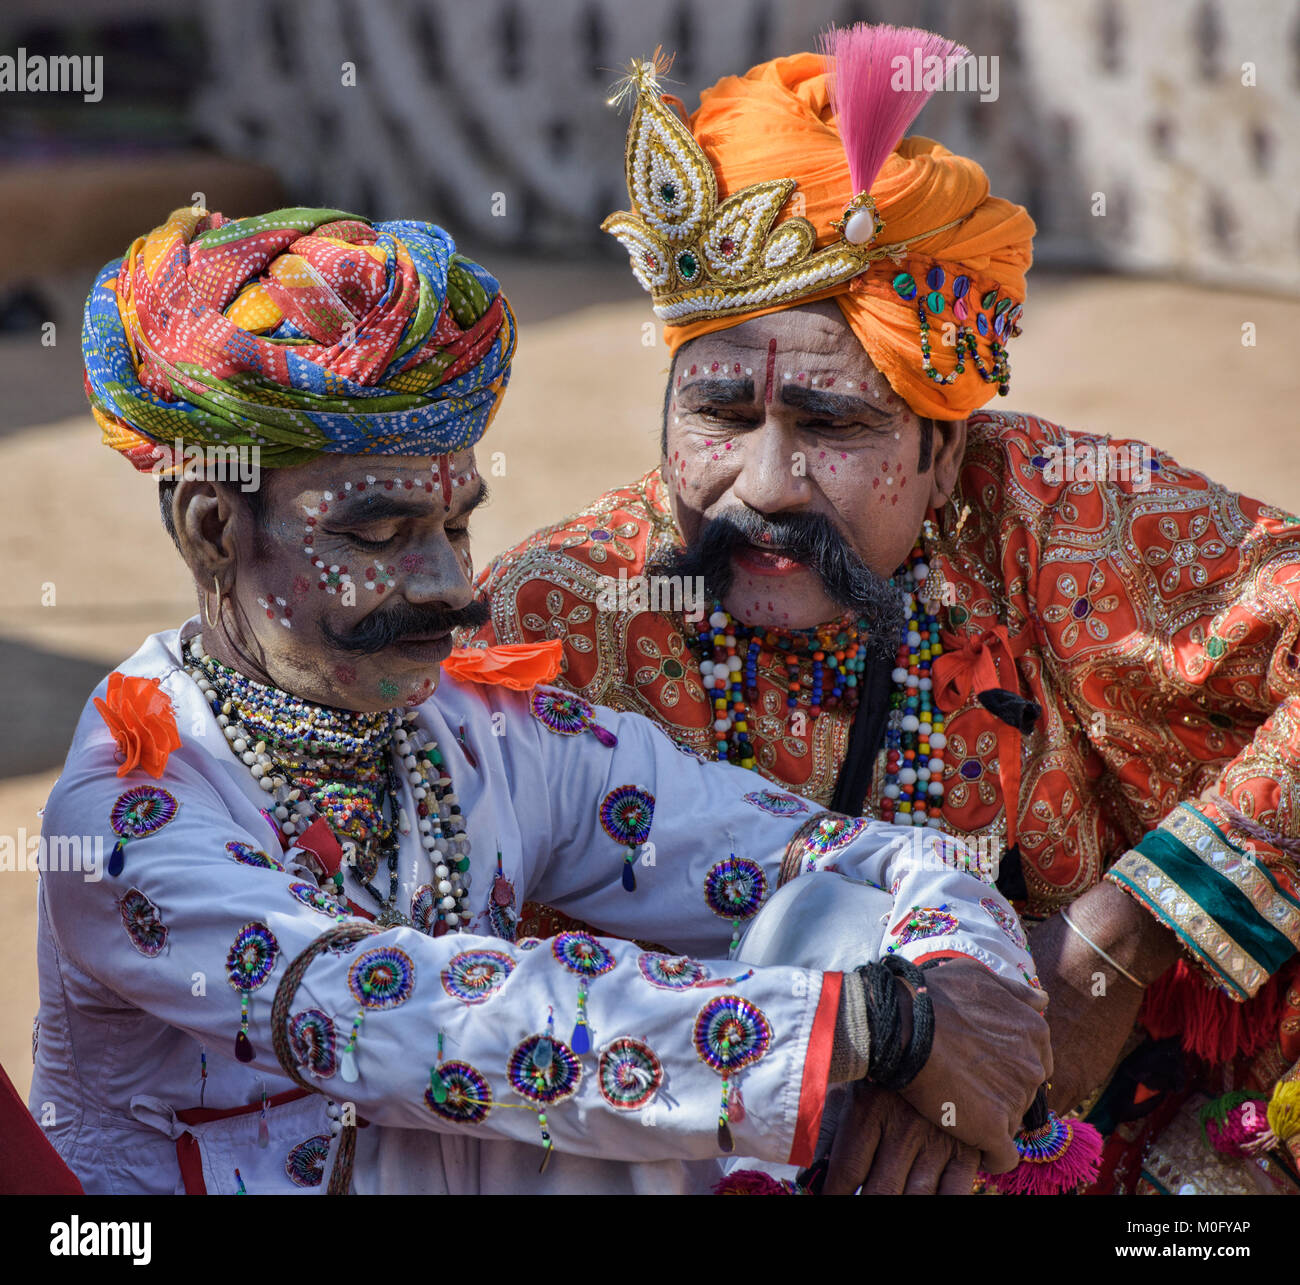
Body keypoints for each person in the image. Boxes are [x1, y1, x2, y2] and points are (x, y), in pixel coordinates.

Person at [25, 203, 1049, 1196]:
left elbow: (839, 856)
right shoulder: (131, 814)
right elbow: (406, 1018)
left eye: (456, 530)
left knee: (838, 917)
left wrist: (946, 989)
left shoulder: (477, 736)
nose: (448, 589)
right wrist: (874, 1030)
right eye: (378, 538)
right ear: (212, 529)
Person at [473, 31, 1300, 1194]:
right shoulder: (556, 614)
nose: (762, 484)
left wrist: (1118, 940)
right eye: (716, 412)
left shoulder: (1052, 512)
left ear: (945, 444)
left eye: (831, 425)